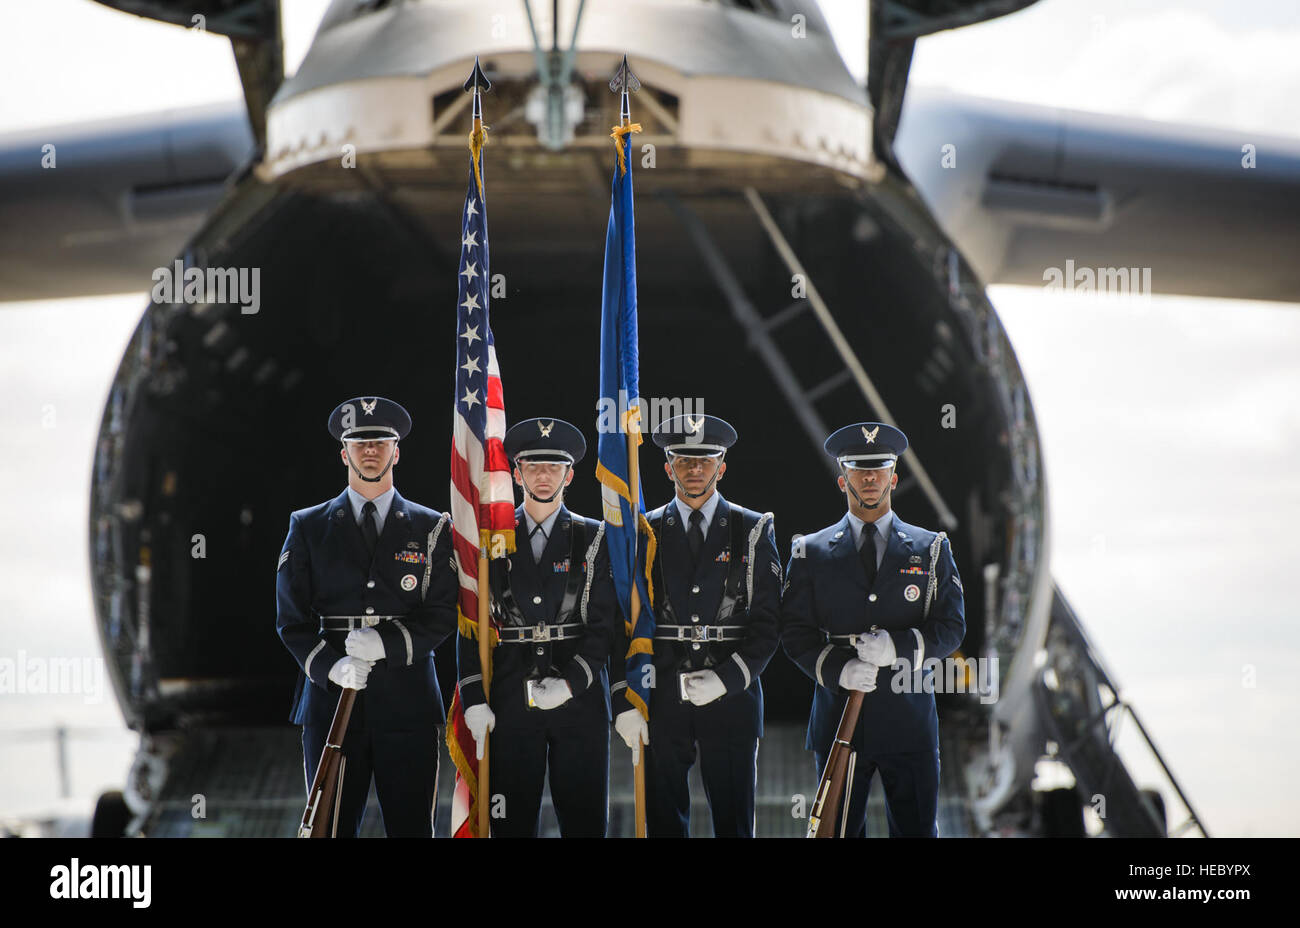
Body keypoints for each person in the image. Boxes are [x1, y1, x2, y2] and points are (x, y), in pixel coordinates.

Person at [275, 396, 458, 837]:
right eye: (359, 443)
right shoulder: (309, 525)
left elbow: (444, 612)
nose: (370, 450)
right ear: (344, 453)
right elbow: (291, 620)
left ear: (397, 451)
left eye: (380, 442)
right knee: (330, 828)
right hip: (333, 700)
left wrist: (388, 644)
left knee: (413, 828)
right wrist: (330, 666)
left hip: (408, 700)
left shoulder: (433, 527)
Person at [781, 421, 965, 837]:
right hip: (839, 719)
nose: (868, 479)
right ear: (841, 478)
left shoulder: (930, 548)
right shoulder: (809, 551)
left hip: (910, 721)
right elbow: (795, 631)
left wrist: (897, 650)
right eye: (858, 470)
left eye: (878, 469)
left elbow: (952, 627)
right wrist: (838, 670)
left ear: (894, 478)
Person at [613, 413, 781, 838]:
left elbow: (768, 623)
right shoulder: (642, 531)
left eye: (704, 460)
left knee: (735, 824)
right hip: (662, 691)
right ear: (667, 466)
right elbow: (622, 622)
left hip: (732, 695)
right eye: (683, 460)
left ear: (721, 467)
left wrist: (728, 679)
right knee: (665, 822)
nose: (694, 469)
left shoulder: (754, 529)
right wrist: (624, 700)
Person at [458, 418, 616, 836]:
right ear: (516, 472)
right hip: (509, 700)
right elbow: (471, 623)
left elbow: (603, 628)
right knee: (509, 823)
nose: (543, 476)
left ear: (570, 474)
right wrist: (473, 695)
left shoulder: (595, 537)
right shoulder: (490, 538)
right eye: (532, 466)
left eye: (553, 467)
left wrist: (569, 684)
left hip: (579, 701)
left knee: (585, 824)